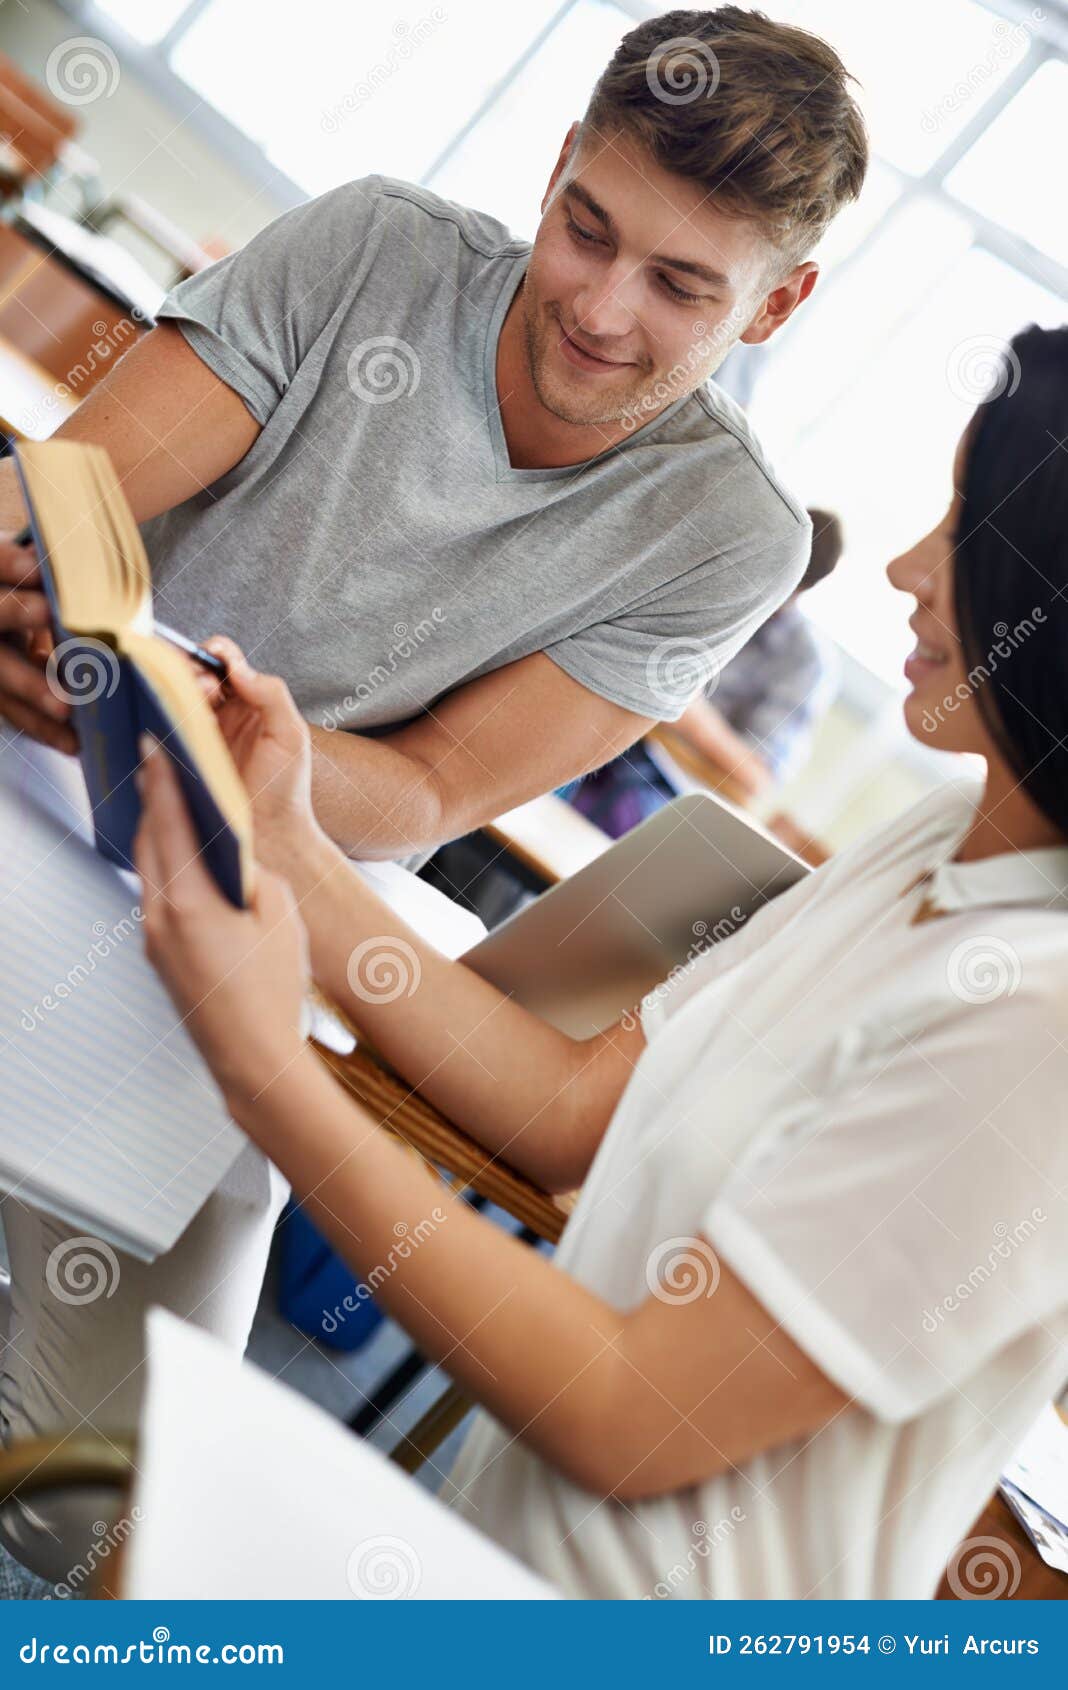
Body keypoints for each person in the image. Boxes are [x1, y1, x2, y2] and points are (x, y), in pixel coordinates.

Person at [0, 8, 870, 1585]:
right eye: (585, 228)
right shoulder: (373, 251)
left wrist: (186, 724)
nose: (599, 309)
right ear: (553, 171)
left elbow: (429, 789)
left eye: (682, 286)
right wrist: (40, 586)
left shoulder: (725, 531)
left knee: (95, 1500)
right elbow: (78, 496)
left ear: (779, 301)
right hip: (36, 756)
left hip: (264, 866)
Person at [120, 325, 1067, 1600]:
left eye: (960, 527)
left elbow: (635, 1414)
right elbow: (569, 1108)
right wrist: (289, 842)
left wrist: (262, 1063)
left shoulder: (1038, 1015)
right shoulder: (942, 837)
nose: (904, 568)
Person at [568, 510, 842, 838]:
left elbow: (758, 778)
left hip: (661, 784)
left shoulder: (806, 661)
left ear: (804, 584)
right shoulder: (711, 584)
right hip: (605, 728)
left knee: (608, 810)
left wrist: (689, 712)